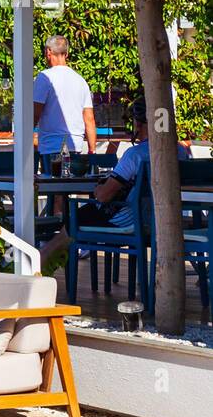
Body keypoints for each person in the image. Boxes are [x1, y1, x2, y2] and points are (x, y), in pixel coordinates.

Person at [39, 98, 190, 267]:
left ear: (139, 123)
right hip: (165, 219)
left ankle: (41, 263)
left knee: (76, 216)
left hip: (130, 221)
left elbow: (103, 196)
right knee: (84, 215)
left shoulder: (135, 155)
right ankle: (48, 261)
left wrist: (98, 190)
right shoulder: (180, 152)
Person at [34, 34, 97, 158]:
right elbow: (89, 119)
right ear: (66, 54)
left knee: (51, 177)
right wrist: (92, 151)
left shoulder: (44, 78)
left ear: (48, 52)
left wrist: (23, 140)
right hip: (76, 147)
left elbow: (35, 114)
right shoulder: (80, 80)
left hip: (51, 147)